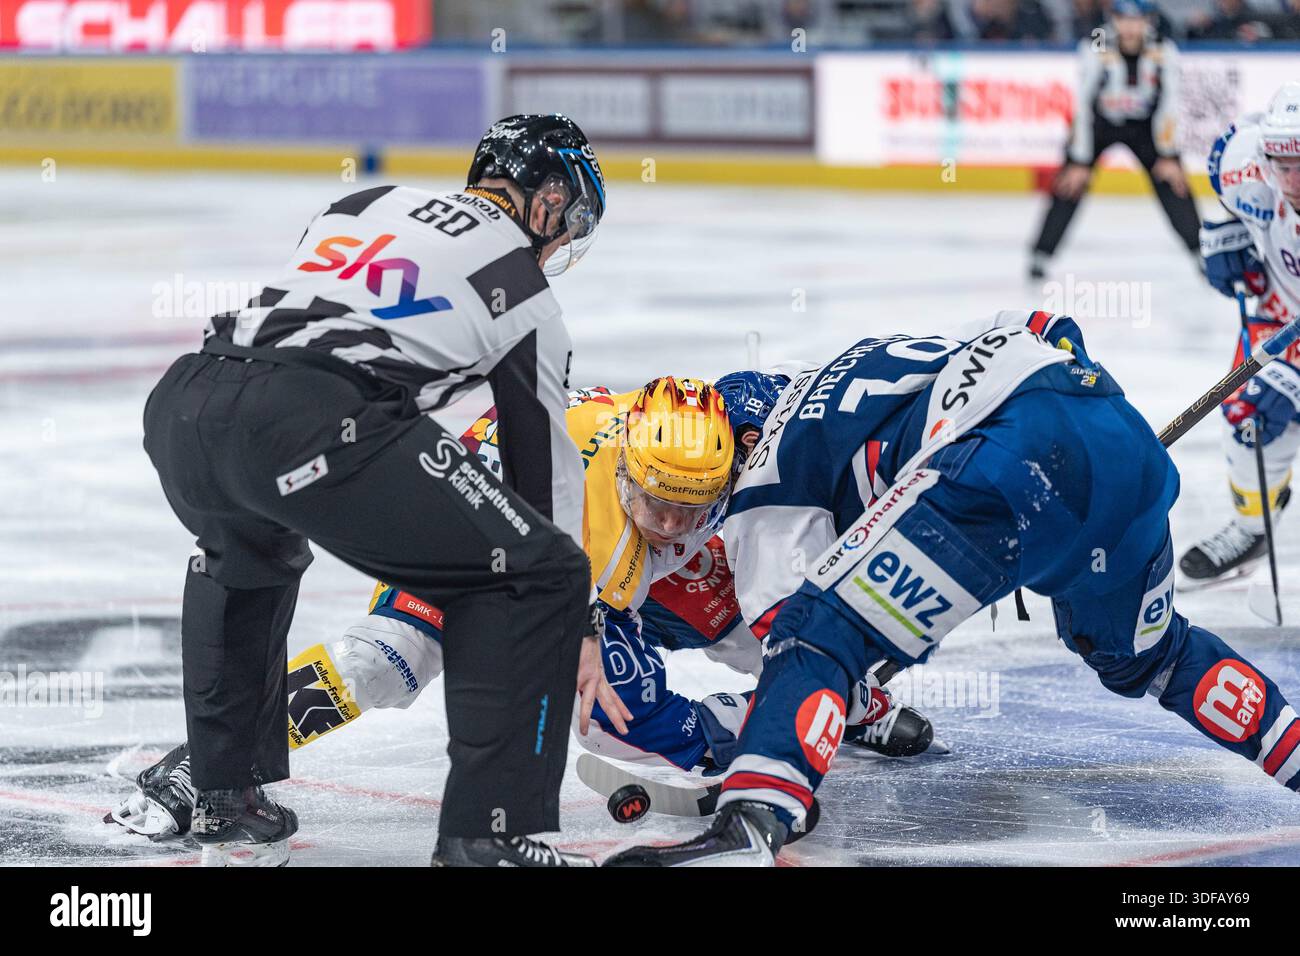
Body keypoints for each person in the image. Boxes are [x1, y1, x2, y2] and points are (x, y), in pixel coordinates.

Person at [606, 309, 1300, 866]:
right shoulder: (865, 354)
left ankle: (754, 820)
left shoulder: (766, 488)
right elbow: (1052, 328)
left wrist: (737, 720)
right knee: (1154, 656)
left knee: (815, 637)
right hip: (1117, 438)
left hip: (1006, 476)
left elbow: (812, 660)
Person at [113, 376, 937, 841]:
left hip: (546, 538)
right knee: (390, 662)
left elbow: (754, 400)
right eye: (659, 503)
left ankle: (846, 702)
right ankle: (205, 760)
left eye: (697, 503)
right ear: (624, 478)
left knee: (764, 632)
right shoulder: (606, 537)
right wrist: (713, 736)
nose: (677, 523)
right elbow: (601, 697)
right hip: (473, 536)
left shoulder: (673, 440)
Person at [141, 114, 613, 868]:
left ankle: (224, 797)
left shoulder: (369, 202)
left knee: (246, 555)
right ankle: (484, 834)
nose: (562, 243)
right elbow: (543, 488)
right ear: (548, 198)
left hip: (187, 401)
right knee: (538, 572)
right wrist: (577, 618)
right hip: (307, 416)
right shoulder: (524, 289)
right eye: (571, 219)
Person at [1179, 82, 1300, 582]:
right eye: (1283, 164)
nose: (1292, 180)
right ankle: (1253, 530)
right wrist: (1225, 236)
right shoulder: (1243, 165)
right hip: (1280, 314)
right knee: (1249, 416)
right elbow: (1229, 151)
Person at [1027, 0, 1199, 281]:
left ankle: (1201, 253)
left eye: (1138, 19)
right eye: (1123, 18)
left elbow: (1169, 105)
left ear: (1149, 20)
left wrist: (1168, 155)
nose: (1130, 27)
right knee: (1070, 183)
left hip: (1145, 126)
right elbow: (1082, 106)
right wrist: (1079, 159)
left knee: (1173, 181)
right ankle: (1041, 254)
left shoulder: (1165, 50)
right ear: (1113, 19)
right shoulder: (1095, 46)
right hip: (1099, 124)